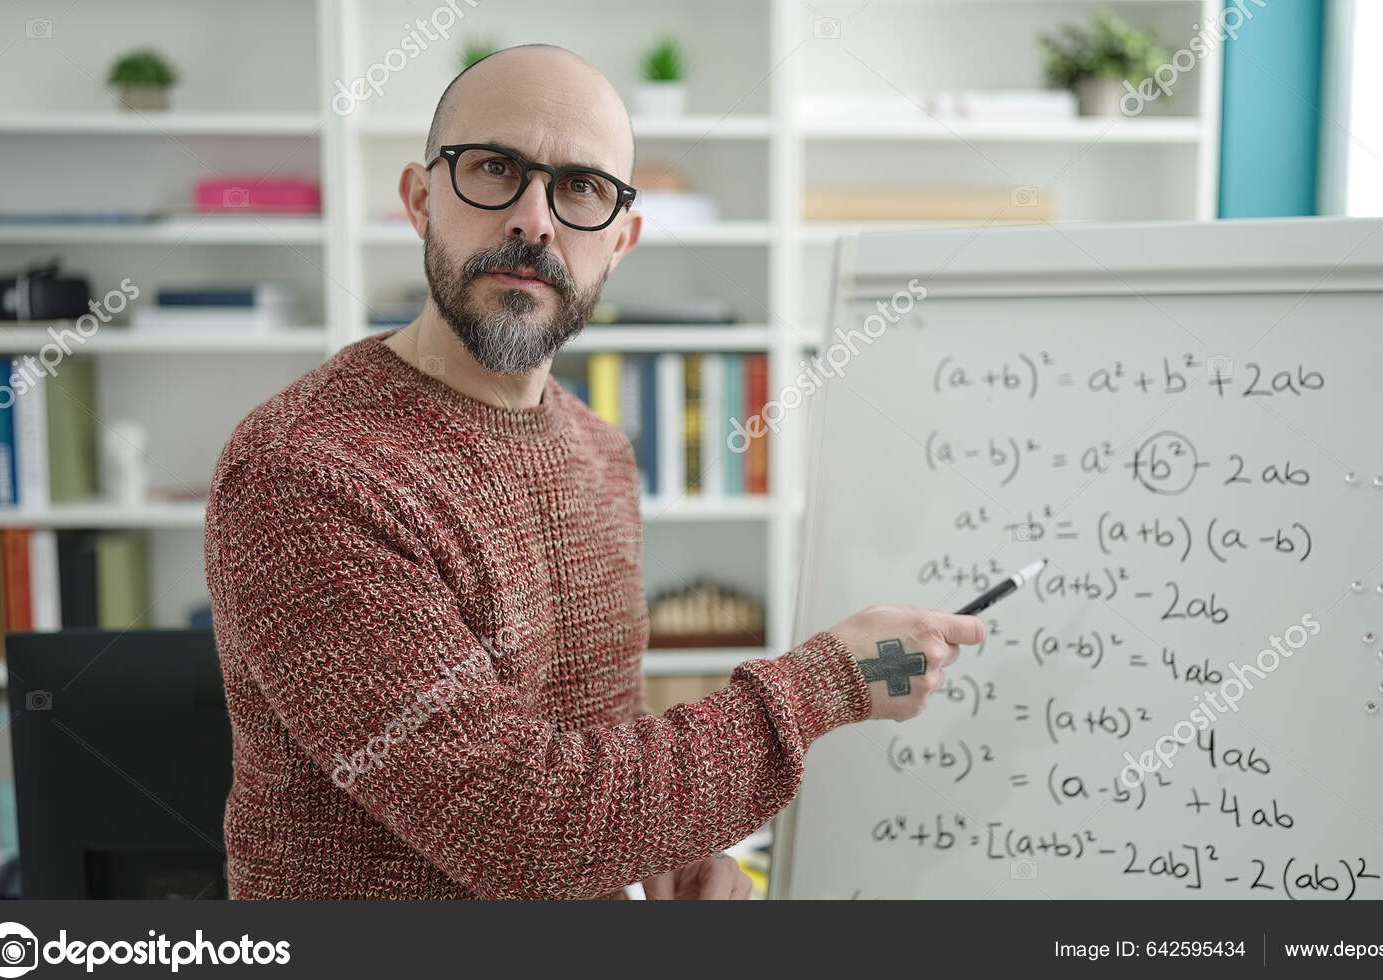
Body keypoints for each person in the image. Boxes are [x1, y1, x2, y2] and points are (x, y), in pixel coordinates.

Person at [203, 44, 984, 900]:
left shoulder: (600, 452)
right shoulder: (305, 472)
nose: (534, 220)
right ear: (420, 200)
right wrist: (829, 681)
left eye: (579, 188)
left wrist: (668, 855)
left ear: (620, 240)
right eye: (495, 168)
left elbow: (590, 742)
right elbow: (527, 828)